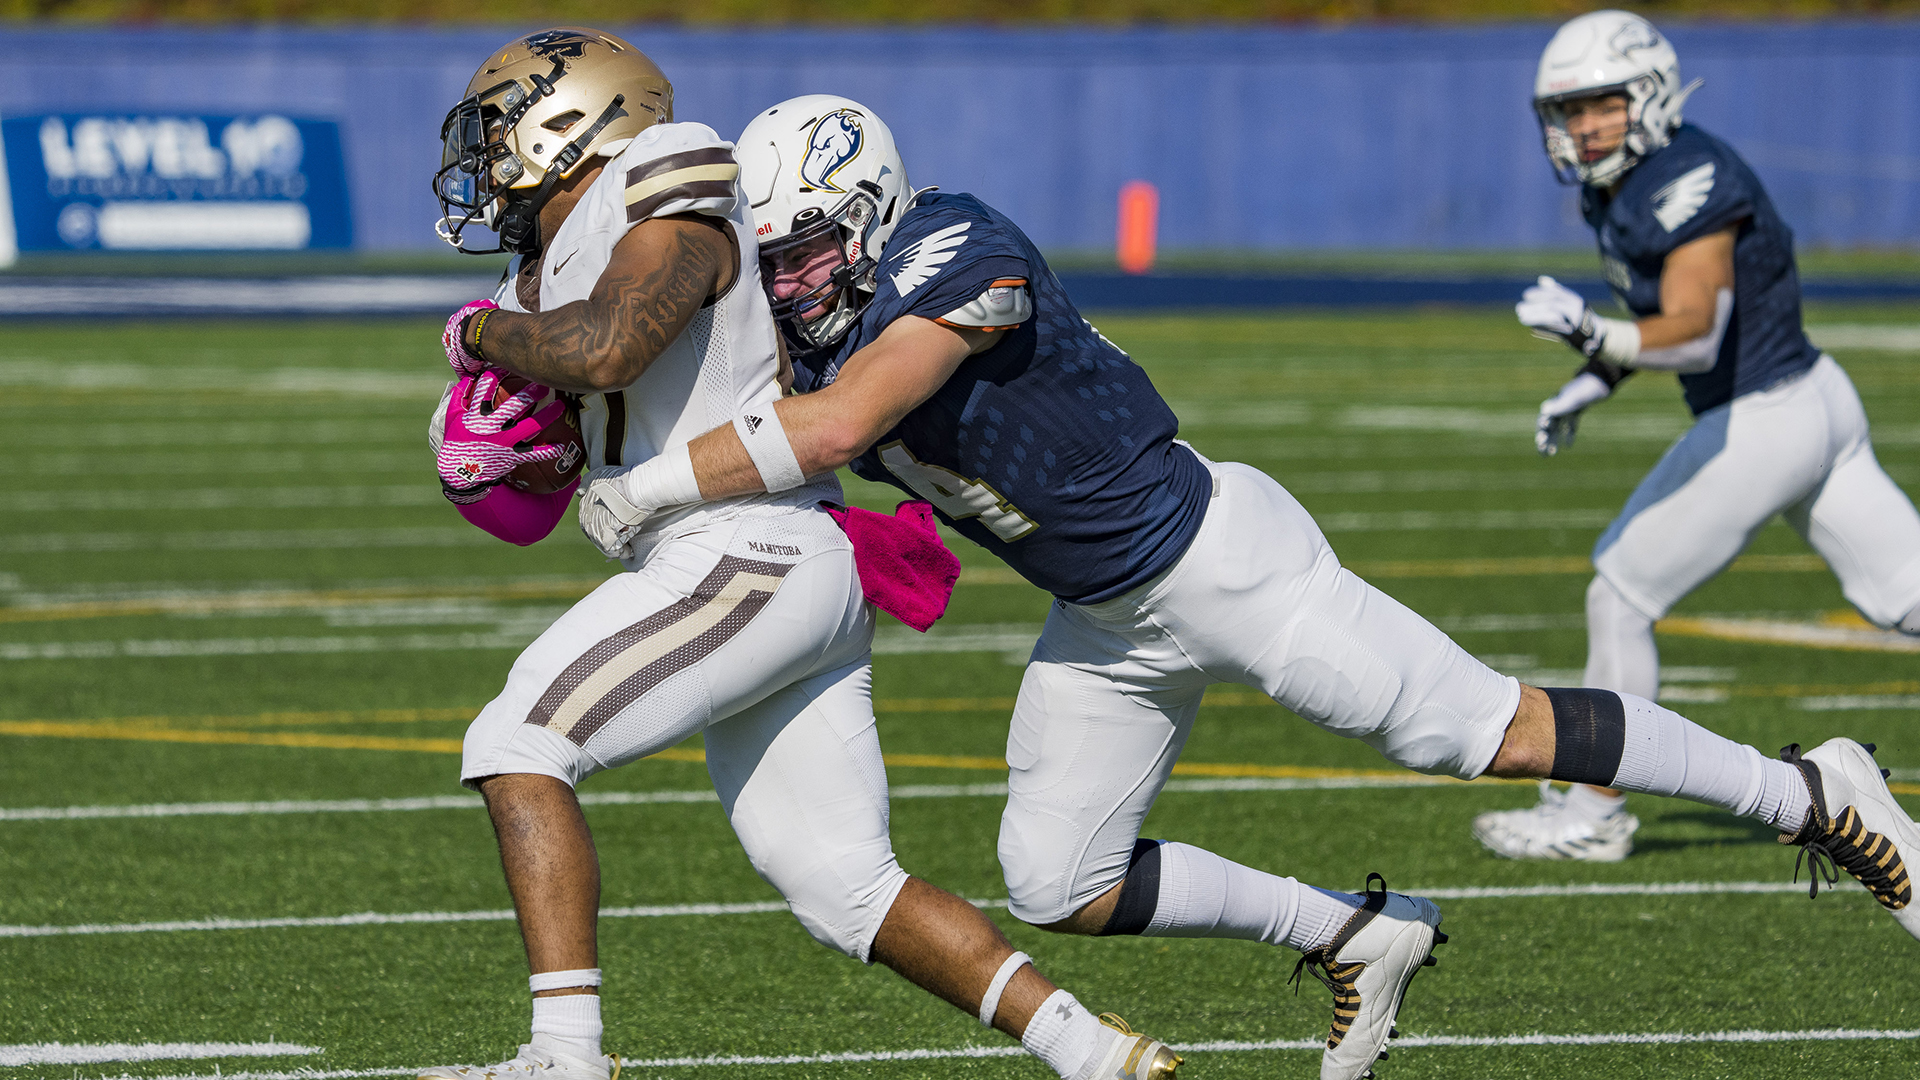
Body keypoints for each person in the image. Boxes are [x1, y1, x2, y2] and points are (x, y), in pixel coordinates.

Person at [576, 92, 1920, 1080]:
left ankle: (1813, 792)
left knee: (1489, 732)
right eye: (774, 263)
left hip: (1221, 562)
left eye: (809, 251)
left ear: (867, 215)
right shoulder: (814, 334)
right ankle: (1358, 936)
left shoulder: (952, 248)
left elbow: (834, 426)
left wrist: (642, 491)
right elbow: (775, 428)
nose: (791, 284)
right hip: (1104, 619)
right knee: (1055, 876)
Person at [422, 30, 1180, 1080]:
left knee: (517, 741)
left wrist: (479, 343)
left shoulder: (659, 172)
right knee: (845, 885)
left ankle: (564, 1057)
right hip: (756, 563)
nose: (487, 159)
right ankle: (1093, 1050)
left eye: (500, 129)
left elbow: (610, 345)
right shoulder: (531, 281)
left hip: (746, 548)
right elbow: (522, 510)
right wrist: (498, 454)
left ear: (570, 123)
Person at [1474, 9, 1920, 862]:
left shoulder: (1690, 178)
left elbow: (1695, 329)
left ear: (1646, 96)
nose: (1580, 127)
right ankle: (1592, 807)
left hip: (1769, 417)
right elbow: (1660, 316)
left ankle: (1593, 813)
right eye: (1566, 112)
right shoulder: (1628, 184)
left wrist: (1594, 338)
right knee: (1904, 595)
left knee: (1620, 593)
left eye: (1598, 105)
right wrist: (1594, 378)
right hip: (1812, 398)